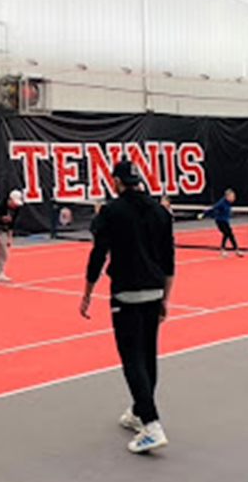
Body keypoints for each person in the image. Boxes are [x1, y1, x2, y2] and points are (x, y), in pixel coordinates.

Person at [81, 161, 175, 454]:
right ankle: (138, 411)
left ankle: (151, 424)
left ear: (117, 182)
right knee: (148, 355)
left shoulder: (111, 211)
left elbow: (98, 254)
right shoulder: (161, 211)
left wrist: (87, 293)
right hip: (154, 290)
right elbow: (169, 260)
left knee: (132, 359)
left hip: (126, 293)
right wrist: (165, 299)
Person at [199, 189, 244, 257]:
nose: (233, 198)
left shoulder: (228, 203)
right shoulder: (221, 203)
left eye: (233, 196)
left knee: (230, 235)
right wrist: (204, 214)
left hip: (225, 221)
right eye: (232, 196)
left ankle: (236, 250)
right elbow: (212, 209)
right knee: (226, 233)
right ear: (227, 196)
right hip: (219, 221)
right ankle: (223, 250)